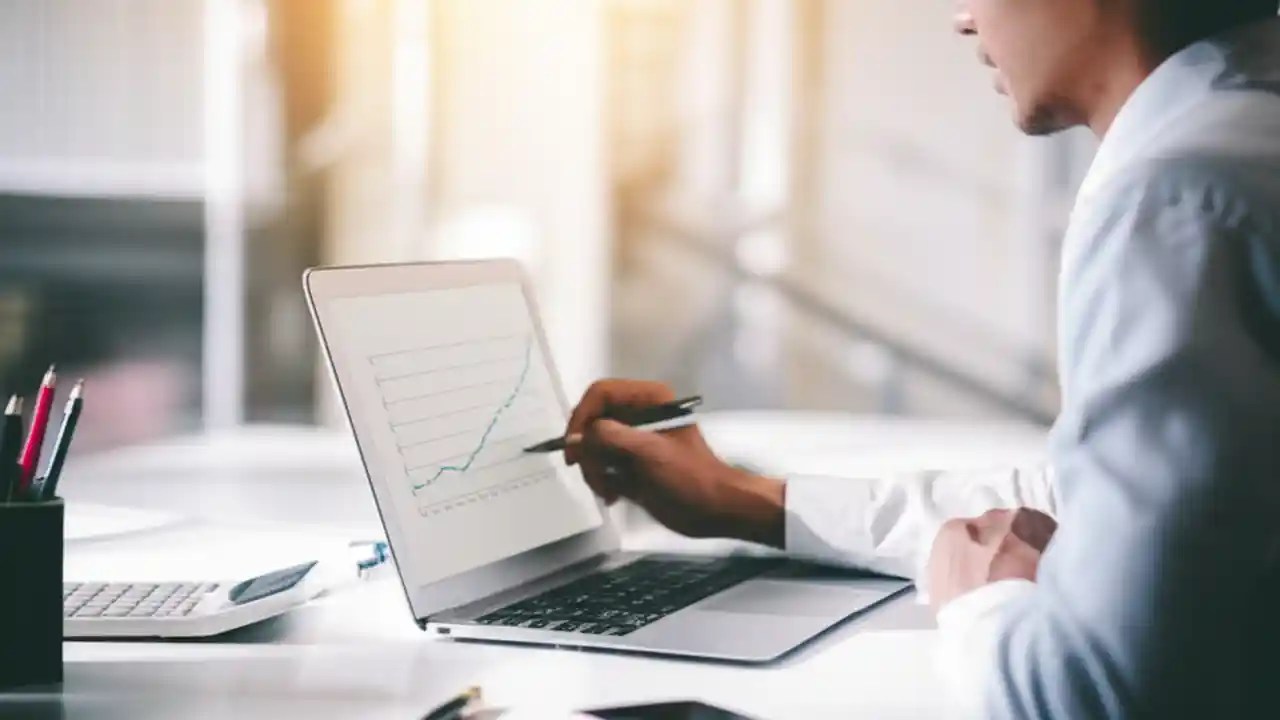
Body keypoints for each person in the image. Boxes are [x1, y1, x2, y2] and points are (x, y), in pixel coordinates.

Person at [566, 1, 1280, 717]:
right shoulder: (1239, 135)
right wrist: (743, 499)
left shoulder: (1178, 198)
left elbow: (1089, 699)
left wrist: (982, 597)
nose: (962, 18)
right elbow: (1078, 498)